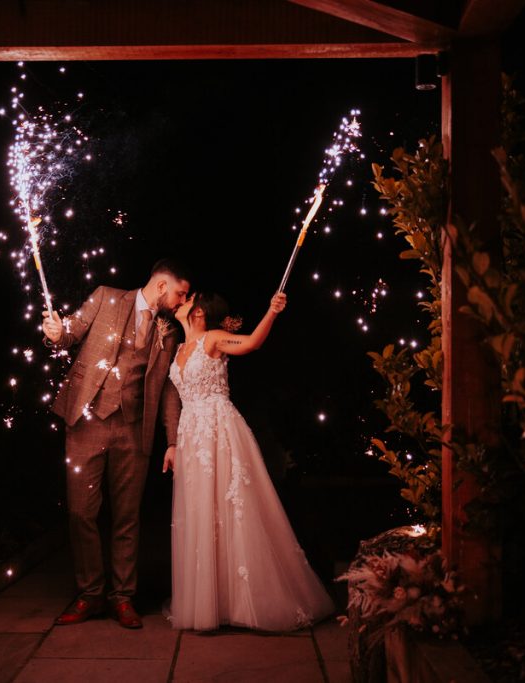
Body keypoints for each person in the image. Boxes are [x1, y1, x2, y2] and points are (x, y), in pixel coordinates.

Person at [164, 290, 335, 631]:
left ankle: (249, 601)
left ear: (199, 313)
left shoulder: (212, 339)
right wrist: (173, 444)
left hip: (218, 430)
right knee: (200, 513)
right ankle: (210, 602)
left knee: (233, 510)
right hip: (191, 434)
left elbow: (252, 343)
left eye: (189, 299)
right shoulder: (180, 348)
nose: (181, 302)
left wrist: (271, 311)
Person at [41, 259, 191, 629]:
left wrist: (172, 440)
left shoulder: (168, 332)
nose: (181, 301)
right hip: (87, 419)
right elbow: (69, 334)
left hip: (133, 430)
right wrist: (55, 331)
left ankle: (122, 597)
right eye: (179, 293)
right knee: (80, 512)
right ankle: (90, 595)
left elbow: (169, 389)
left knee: (126, 517)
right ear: (160, 286)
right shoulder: (106, 298)